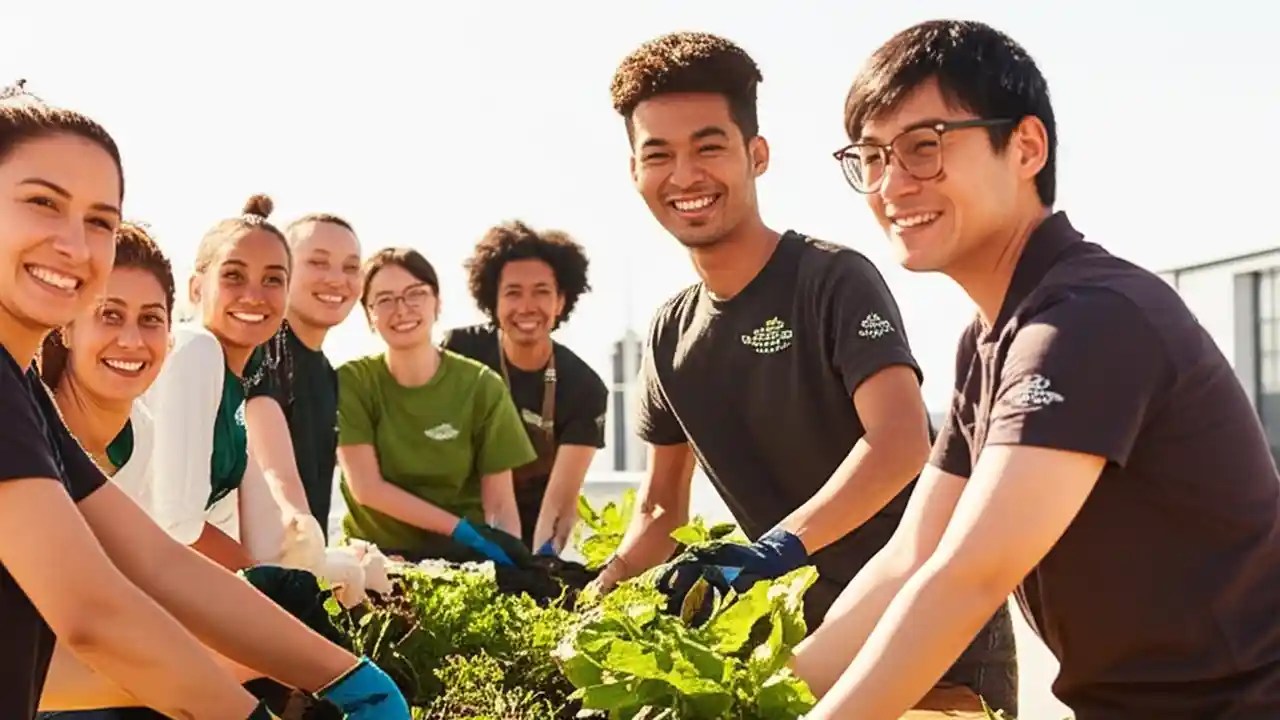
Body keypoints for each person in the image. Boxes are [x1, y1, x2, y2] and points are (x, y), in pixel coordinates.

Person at [796, 19, 1280, 720]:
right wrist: (754, 695)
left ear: (1025, 147)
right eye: (871, 157)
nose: (892, 184)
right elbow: (912, 559)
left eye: (924, 149)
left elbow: (971, 577)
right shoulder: (990, 339)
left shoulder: (1086, 320)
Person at [593, 32, 1017, 713]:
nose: (685, 175)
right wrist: (594, 595)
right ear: (635, 172)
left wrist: (772, 551)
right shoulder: (671, 334)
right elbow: (660, 508)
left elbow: (900, 442)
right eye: (659, 155)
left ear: (756, 155)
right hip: (804, 653)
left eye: (709, 147)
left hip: (932, 633)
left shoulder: (832, 280)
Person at [0, 82, 407, 719]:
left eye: (100, 221)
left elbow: (160, 561)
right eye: (42, 204)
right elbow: (93, 616)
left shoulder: (21, 390)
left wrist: (349, 675)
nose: (75, 245)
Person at [140, 193, 322, 572]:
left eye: (273, 280)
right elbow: (176, 523)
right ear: (195, 288)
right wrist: (268, 591)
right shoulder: (195, 349)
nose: (254, 296)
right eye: (233, 276)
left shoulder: (237, 377)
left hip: (181, 579)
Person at [336, 247, 537, 565]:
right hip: (374, 560)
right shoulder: (353, 382)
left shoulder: (481, 386)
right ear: (369, 315)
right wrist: (459, 529)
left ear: (437, 302)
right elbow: (366, 488)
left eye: (415, 294)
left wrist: (508, 558)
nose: (401, 309)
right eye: (384, 300)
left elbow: (499, 504)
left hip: (461, 562)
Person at [443, 220, 608, 554]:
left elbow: (561, 502)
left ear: (561, 301)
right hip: (456, 528)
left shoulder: (584, 388)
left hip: (531, 536)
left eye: (542, 292)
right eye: (513, 293)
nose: (527, 306)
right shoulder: (459, 351)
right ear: (493, 300)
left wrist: (537, 561)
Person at [246, 212, 363, 543]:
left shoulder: (327, 373)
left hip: (306, 571)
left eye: (351, 267)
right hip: (257, 570)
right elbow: (275, 476)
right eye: (318, 262)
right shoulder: (262, 350)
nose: (338, 279)